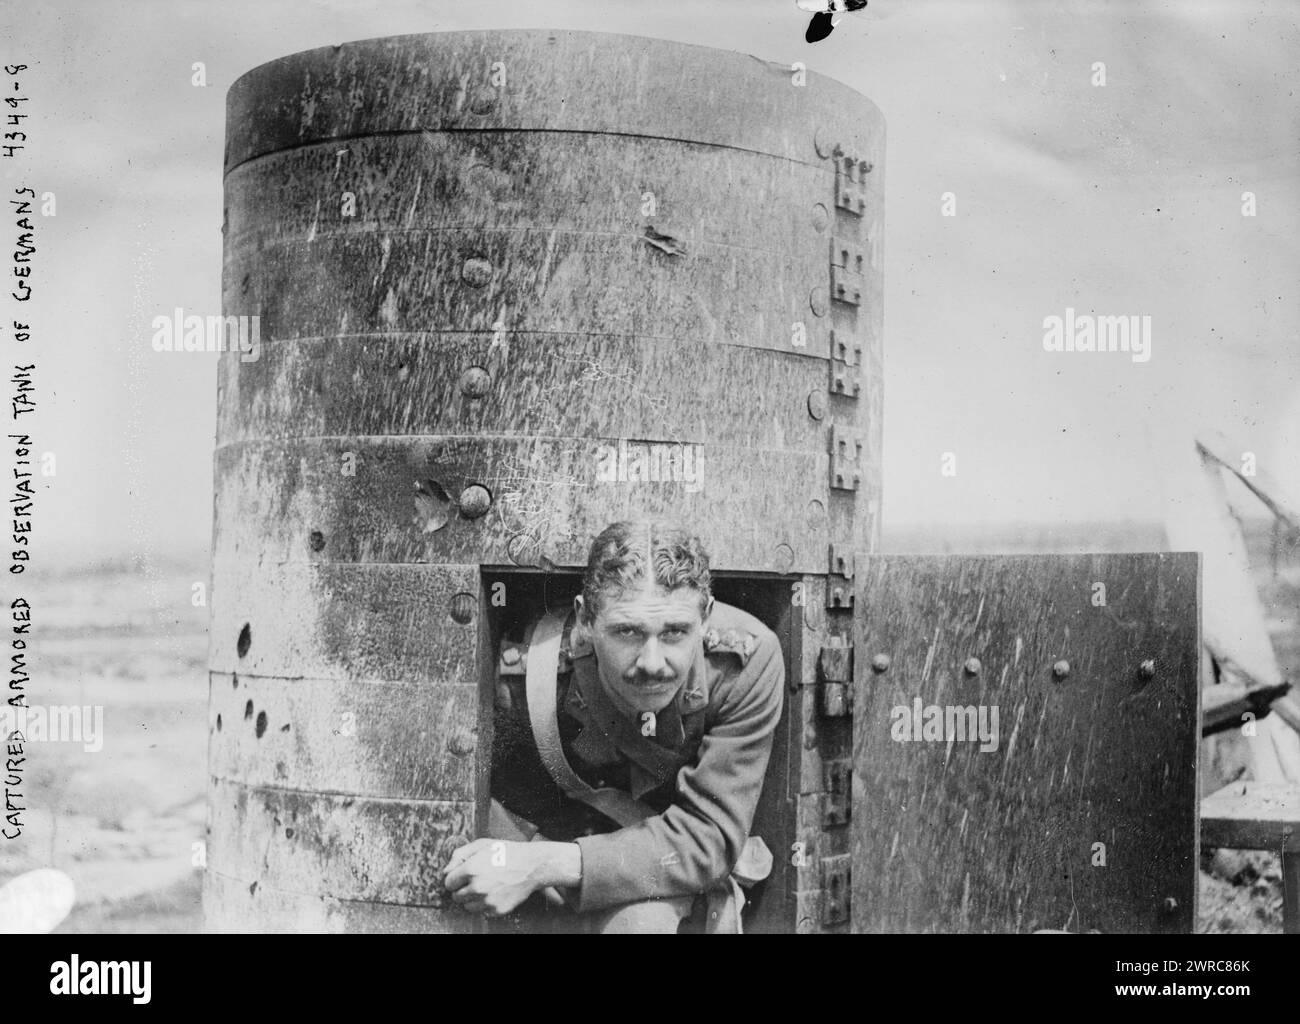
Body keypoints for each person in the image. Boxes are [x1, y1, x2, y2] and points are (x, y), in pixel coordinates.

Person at [442, 519, 785, 933]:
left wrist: (548, 865)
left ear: (706, 617)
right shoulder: (529, 673)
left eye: (676, 632)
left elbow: (711, 838)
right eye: (627, 631)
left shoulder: (744, 663)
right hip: (546, 853)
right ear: (585, 619)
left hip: (658, 873)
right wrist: (521, 856)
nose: (653, 662)